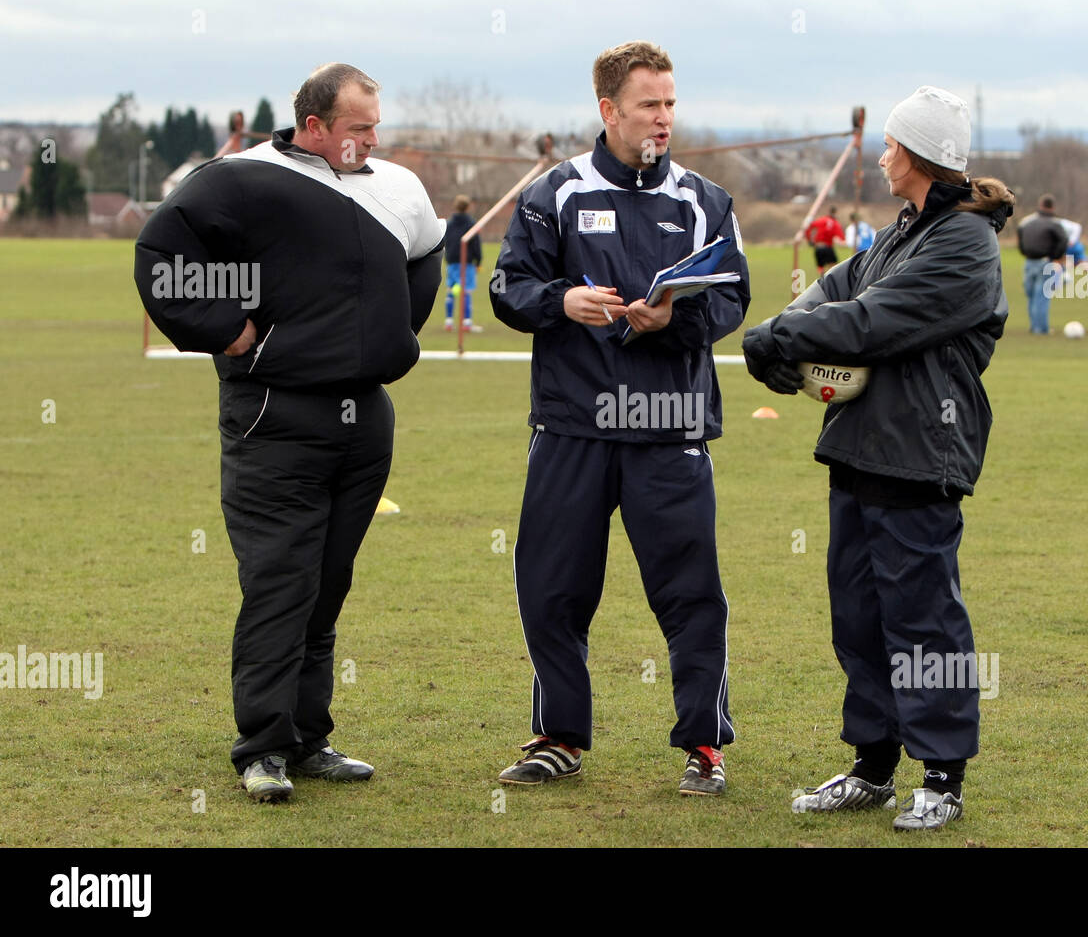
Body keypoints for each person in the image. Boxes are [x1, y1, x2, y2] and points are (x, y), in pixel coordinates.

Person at [135, 63, 445, 802]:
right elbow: (160, 256)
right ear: (314, 126)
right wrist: (228, 332)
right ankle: (263, 749)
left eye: (376, 126)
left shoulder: (397, 186)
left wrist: (391, 335)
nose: (371, 140)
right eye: (357, 128)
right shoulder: (240, 179)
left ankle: (310, 738)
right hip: (274, 415)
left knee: (327, 586)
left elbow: (426, 258)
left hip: (365, 417)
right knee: (280, 581)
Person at [742, 85, 1013, 831]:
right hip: (861, 447)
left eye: (893, 145)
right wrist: (778, 328)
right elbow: (836, 289)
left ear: (921, 157)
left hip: (920, 453)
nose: (883, 155)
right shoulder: (903, 234)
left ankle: (943, 776)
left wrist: (784, 341)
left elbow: (870, 321)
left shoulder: (964, 243)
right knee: (858, 617)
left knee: (924, 618)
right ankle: (872, 768)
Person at [490, 40, 750, 796]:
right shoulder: (556, 193)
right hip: (572, 426)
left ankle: (703, 744)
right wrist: (560, 302)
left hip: (669, 426)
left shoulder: (705, 201)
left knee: (690, 591)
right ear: (609, 111)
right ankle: (559, 736)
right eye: (649, 106)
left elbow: (732, 300)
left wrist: (673, 321)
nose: (663, 119)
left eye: (670, 104)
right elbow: (509, 287)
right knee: (551, 587)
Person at [1016, 194, 1067, 334]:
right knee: (1042, 296)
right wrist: (1055, 256)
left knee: (1031, 295)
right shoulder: (1055, 223)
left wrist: (1024, 252)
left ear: (1040, 205)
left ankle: (1034, 326)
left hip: (1029, 261)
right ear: (1053, 207)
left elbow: (1020, 239)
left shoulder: (1026, 222)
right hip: (1046, 262)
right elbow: (1063, 241)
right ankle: (1041, 328)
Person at [444, 193, 484, 332]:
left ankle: (449, 321)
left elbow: (446, 242)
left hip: (452, 262)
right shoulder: (471, 224)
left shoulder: (448, 223)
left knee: (453, 289)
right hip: (466, 263)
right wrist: (478, 261)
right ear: (468, 207)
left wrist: (448, 258)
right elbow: (476, 244)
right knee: (466, 291)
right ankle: (467, 323)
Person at [807, 205, 845, 273]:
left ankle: (822, 280)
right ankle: (832, 281)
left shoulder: (821, 220)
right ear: (835, 213)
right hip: (827, 247)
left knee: (820, 266)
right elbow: (841, 236)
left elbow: (809, 227)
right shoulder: (835, 223)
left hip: (818, 247)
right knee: (834, 267)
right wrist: (843, 241)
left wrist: (810, 240)